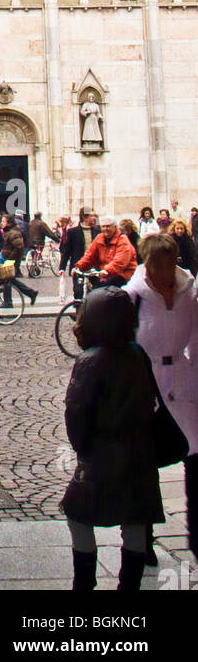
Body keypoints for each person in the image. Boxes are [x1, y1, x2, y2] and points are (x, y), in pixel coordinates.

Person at [61, 286, 163, 592]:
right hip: (139, 454)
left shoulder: (89, 361)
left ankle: (84, 583)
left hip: (101, 456)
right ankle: (129, 586)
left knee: (78, 517)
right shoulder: (137, 354)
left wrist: (83, 448)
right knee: (133, 520)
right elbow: (151, 400)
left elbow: (75, 414)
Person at [126, 233, 198, 562]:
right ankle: (144, 539)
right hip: (147, 384)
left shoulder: (189, 293)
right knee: (146, 463)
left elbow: (197, 338)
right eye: (161, 264)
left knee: (194, 457)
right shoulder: (133, 295)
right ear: (149, 265)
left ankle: (196, 531)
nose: (168, 270)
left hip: (184, 385)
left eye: (172, 263)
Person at [75, 214, 137, 288]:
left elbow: (120, 261)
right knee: (91, 287)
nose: (105, 229)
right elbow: (90, 255)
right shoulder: (99, 238)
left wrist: (107, 270)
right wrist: (79, 266)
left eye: (108, 226)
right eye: (103, 226)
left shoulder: (123, 240)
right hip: (105, 274)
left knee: (104, 289)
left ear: (115, 227)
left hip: (123, 273)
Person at [0, 215, 39, 307]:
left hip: (12, 260)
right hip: (10, 259)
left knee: (7, 279)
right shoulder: (9, 232)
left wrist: (10, 259)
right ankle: (31, 293)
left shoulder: (13, 233)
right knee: (9, 279)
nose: (2, 223)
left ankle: (8, 302)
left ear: (9, 223)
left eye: (3, 221)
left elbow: (19, 247)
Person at [60, 209, 101, 294]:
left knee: (96, 293)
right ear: (84, 217)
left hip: (94, 267)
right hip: (78, 266)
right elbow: (67, 251)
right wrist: (62, 267)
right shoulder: (73, 232)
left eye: (94, 216)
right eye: (91, 216)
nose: (94, 218)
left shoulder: (98, 232)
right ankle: (79, 306)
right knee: (78, 292)